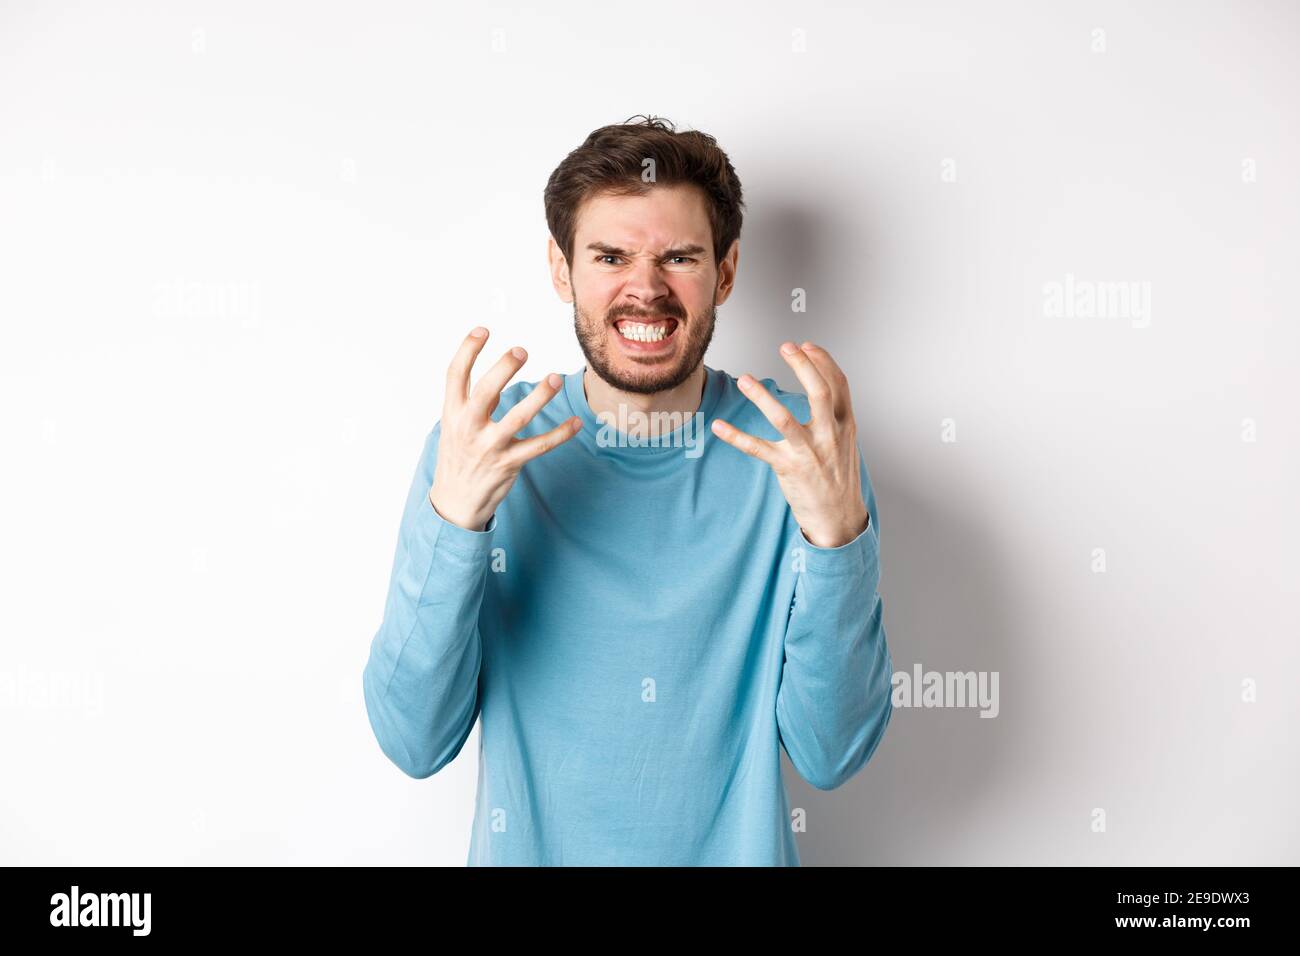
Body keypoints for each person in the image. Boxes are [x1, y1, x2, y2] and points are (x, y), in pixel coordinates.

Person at [361, 115, 893, 865]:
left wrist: (838, 542)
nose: (645, 289)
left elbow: (833, 754)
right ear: (560, 268)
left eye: (678, 257)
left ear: (728, 271)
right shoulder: (483, 447)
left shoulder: (802, 451)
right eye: (610, 256)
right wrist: (454, 526)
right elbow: (414, 740)